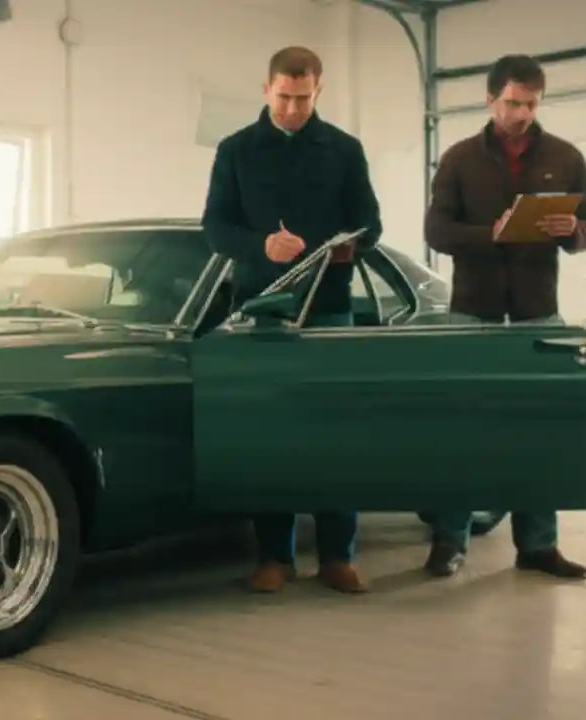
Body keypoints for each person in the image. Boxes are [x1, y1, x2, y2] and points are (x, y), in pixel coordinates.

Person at [201, 46, 383, 595]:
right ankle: (274, 557)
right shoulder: (235, 150)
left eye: (303, 98)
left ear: (318, 91)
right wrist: (261, 245)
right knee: (269, 435)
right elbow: (214, 226)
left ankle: (337, 556)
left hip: (329, 307)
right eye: (284, 96)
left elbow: (370, 223)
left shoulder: (344, 150)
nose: (293, 108)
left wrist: (351, 246)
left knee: (336, 437)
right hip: (262, 307)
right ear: (266, 88)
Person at [422, 54, 586, 580]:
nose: (520, 113)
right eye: (511, 103)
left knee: (538, 431)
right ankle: (449, 541)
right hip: (470, 312)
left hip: (537, 313)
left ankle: (538, 546)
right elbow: (436, 232)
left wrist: (574, 229)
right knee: (459, 430)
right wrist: (490, 235)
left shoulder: (566, 158)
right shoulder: (457, 159)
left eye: (530, 104)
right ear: (490, 99)